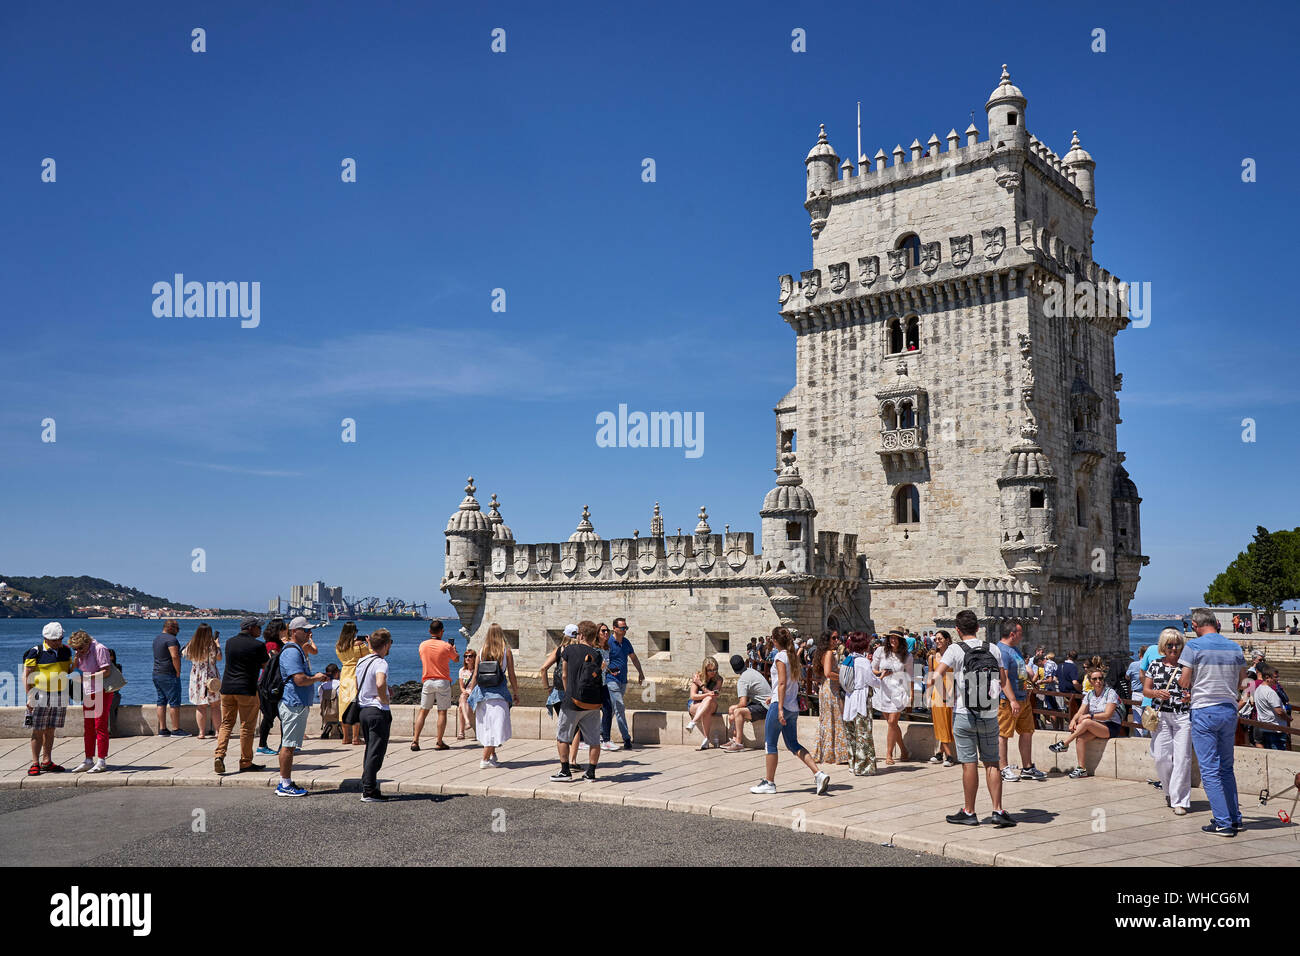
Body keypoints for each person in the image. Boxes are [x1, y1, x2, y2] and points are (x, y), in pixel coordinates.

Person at [934, 609, 1016, 827]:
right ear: (978, 627)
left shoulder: (955, 649)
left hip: (964, 713)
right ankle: (998, 810)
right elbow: (1003, 679)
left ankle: (969, 812)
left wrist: (946, 697)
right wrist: (1013, 701)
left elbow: (935, 676)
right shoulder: (993, 648)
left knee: (969, 763)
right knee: (992, 762)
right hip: (989, 712)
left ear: (958, 630)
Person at [1179, 608, 1247, 836]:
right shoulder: (1234, 647)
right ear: (1216, 622)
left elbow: (1184, 681)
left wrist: (1189, 683)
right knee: (1226, 767)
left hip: (1204, 711)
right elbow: (1242, 682)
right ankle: (1235, 818)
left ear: (1195, 625)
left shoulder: (1194, 646)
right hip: (1229, 710)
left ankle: (1223, 822)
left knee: (1209, 770)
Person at [748, 627, 830, 795]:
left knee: (770, 743)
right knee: (793, 744)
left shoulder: (779, 656)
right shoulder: (793, 657)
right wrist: (773, 695)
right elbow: (789, 683)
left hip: (782, 705)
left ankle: (769, 782)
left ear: (775, 641)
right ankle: (818, 773)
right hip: (793, 706)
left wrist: (778, 707)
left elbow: (783, 683)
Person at [275, 617, 327, 797]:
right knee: (288, 745)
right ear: (294, 631)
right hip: (293, 703)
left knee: (290, 745)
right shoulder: (291, 652)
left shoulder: (297, 650)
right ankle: (284, 783)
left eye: (309, 630)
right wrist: (316, 678)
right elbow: (299, 679)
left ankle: (286, 781)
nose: (309, 633)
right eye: (305, 630)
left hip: (297, 702)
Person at [1143, 628, 1191, 815]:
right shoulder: (1155, 665)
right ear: (1163, 646)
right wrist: (1156, 693)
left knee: (1182, 758)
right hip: (1161, 715)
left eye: (1177, 645)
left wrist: (1189, 697)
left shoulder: (1187, 667)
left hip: (1182, 715)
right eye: (1169, 645)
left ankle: (1179, 800)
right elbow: (1146, 690)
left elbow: (1194, 689)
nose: (1173, 648)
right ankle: (1170, 791)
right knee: (1162, 757)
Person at [550, 620, 605, 782]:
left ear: (580, 634)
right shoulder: (597, 654)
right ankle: (591, 772)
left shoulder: (568, 650)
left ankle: (565, 771)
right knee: (594, 740)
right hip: (592, 702)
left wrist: (568, 692)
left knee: (563, 737)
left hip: (572, 701)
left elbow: (564, 675)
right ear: (593, 636)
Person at [214, 617, 269, 775]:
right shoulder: (258, 645)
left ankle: (219, 755)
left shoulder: (230, 642)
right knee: (246, 727)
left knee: (226, 724)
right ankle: (245, 762)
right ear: (251, 628)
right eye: (259, 627)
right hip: (247, 690)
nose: (261, 630)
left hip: (227, 688)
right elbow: (266, 666)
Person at [995, 621, 1046, 782]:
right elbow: (1003, 677)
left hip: (1023, 697)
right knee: (1003, 734)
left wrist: (1031, 676)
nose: (1022, 636)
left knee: (1026, 732)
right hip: (1008, 701)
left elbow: (1022, 667)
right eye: (1020, 633)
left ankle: (1027, 767)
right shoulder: (1002, 651)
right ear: (1012, 634)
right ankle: (1002, 768)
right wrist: (1012, 700)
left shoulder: (1014, 649)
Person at [1049, 667, 1120, 777]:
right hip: (1095, 725)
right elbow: (1080, 711)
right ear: (1090, 681)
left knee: (1086, 722)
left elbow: (1107, 715)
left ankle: (1065, 743)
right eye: (1095, 679)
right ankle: (1081, 769)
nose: (1098, 681)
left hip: (1111, 726)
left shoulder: (1110, 693)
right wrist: (1073, 720)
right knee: (1080, 738)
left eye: (1100, 678)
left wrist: (1089, 716)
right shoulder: (1090, 694)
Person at [466, 624, 519, 768]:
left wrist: (470, 692)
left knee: (488, 727)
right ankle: (484, 760)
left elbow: (475, 674)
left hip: (482, 695)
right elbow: (512, 675)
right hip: (499, 695)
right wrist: (515, 692)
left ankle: (492, 755)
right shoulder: (506, 652)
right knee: (496, 728)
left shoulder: (482, 651)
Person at [23, 622, 73, 775]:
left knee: (51, 730)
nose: (58, 642)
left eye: (60, 639)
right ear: (46, 638)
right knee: (37, 730)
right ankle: (35, 763)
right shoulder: (35, 652)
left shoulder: (66, 651)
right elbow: (27, 676)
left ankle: (47, 761)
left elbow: (69, 670)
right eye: (55, 640)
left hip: (60, 694)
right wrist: (30, 697)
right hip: (40, 695)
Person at [68, 629, 114, 773]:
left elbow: (106, 671)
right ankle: (88, 759)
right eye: (75, 648)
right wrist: (76, 659)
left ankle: (101, 760)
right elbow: (70, 670)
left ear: (87, 643)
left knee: (100, 725)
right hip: (88, 692)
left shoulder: (100, 649)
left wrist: (88, 677)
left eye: (80, 647)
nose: (78, 650)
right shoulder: (79, 653)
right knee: (88, 727)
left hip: (102, 691)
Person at [355, 629, 394, 802]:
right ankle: (369, 790)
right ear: (386, 645)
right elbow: (379, 682)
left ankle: (367, 785)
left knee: (370, 749)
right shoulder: (381, 663)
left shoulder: (362, 661)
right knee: (376, 752)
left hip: (363, 709)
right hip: (377, 711)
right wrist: (384, 698)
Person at [412, 619, 460, 752]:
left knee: (423, 711)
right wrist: (454, 650)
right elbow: (456, 660)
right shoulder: (446, 646)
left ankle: (415, 740)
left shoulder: (423, 645)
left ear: (429, 631)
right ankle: (439, 741)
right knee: (442, 712)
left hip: (427, 681)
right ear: (442, 631)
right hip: (442, 681)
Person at [602, 617, 644, 751]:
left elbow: (633, 657)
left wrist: (640, 673)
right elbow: (602, 661)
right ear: (614, 628)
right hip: (611, 680)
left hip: (623, 680)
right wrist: (608, 671)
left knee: (613, 709)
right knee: (620, 707)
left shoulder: (626, 642)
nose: (625, 630)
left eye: (626, 628)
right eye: (622, 628)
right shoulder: (608, 642)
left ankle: (600, 733)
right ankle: (626, 738)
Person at [871, 629, 912, 763]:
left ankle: (889, 754)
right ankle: (904, 751)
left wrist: (912, 694)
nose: (893, 640)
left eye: (896, 638)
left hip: (898, 690)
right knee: (892, 724)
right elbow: (873, 669)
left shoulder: (907, 656)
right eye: (891, 638)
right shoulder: (881, 651)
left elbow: (910, 676)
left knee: (892, 722)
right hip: (883, 690)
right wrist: (882, 672)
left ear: (901, 640)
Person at [842, 633, 879, 775]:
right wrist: (880, 680)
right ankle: (863, 767)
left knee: (851, 734)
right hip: (861, 699)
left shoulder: (848, 659)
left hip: (849, 698)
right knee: (863, 733)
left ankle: (852, 764)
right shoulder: (863, 661)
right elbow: (871, 680)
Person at [812, 631, 849, 765]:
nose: (836, 640)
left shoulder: (824, 653)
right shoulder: (828, 653)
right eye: (833, 638)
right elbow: (828, 673)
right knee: (835, 718)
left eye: (837, 638)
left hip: (827, 688)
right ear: (827, 640)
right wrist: (843, 677)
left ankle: (829, 753)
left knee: (829, 719)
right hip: (830, 689)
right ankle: (835, 754)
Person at [721, 653, 772, 752]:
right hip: (766, 703)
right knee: (733, 710)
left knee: (737, 712)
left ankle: (739, 743)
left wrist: (734, 709)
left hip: (766, 707)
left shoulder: (742, 680)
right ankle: (735, 739)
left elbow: (743, 703)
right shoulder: (751, 671)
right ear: (744, 663)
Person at [184, 623, 223, 739]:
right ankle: (218, 732)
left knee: (201, 706)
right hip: (211, 677)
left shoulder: (192, 644)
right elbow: (219, 658)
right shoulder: (211, 645)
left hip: (197, 678)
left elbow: (185, 654)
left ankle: (201, 733)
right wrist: (218, 645)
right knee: (215, 706)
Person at [151, 619, 189, 737]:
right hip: (168, 674)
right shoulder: (171, 639)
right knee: (174, 702)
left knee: (161, 700)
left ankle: (162, 729)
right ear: (171, 628)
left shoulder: (157, 638)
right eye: (177, 628)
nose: (179, 631)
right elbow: (174, 656)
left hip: (157, 673)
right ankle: (176, 729)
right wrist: (178, 672)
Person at [334, 622, 369, 747]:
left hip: (344, 674)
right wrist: (368, 643)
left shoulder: (338, 646)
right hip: (355, 674)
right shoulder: (359, 645)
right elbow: (370, 654)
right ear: (354, 632)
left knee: (344, 705)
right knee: (355, 706)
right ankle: (355, 737)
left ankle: (345, 737)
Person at [257, 618, 287, 755]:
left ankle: (284, 744)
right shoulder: (272, 646)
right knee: (270, 716)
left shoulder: (279, 644)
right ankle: (263, 745)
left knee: (281, 716)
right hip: (270, 684)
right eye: (284, 628)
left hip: (276, 683)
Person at [926, 631, 956, 766]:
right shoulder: (932, 658)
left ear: (947, 639)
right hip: (937, 691)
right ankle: (949, 755)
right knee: (940, 723)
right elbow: (930, 676)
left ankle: (940, 753)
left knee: (949, 723)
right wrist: (927, 694)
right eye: (936, 639)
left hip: (951, 690)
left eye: (941, 638)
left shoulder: (954, 655)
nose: (937, 641)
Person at [685, 657, 724, 750]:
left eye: (715, 669)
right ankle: (706, 739)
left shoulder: (719, 680)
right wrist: (707, 694)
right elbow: (693, 696)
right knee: (706, 709)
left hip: (712, 704)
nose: (713, 672)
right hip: (695, 704)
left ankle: (693, 722)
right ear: (705, 669)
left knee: (709, 699)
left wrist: (701, 685)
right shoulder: (698, 676)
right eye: (710, 670)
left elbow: (714, 695)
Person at [1253, 666, 1290, 751]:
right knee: (1278, 756)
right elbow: (1279, 712)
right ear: (1267, 678)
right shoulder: (1270, 692)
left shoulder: (1259, 689)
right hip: (1275, 730)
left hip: (1265, 727)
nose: (1278, 679)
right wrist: (1288, 718)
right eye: (1276, 677)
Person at [457, 648, 478, 739]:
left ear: (474, 658)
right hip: (466, 693)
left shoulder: (477, 671)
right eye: (465, 656)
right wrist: (465, 692)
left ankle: (461, 732)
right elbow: (461, 686)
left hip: (474, 692)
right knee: (463, 698)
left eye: (470, 656)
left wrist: (470, 692)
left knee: (461, 707)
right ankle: (467, 722)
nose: (467, 658)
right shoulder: (462, 670)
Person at [318, 663, 341, 739]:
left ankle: (327, 726)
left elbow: (321, 700)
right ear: (337, 673)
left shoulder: (321, 686)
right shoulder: (340, 684)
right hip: (338, 712)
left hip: (325, 713)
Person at [1057, 651, 1082, 719]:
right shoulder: (1073, 667)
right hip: (1071, 692)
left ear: (1067, 656)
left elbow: (1055, 678)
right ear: (1076, 658)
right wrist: (1081, 690)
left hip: (1062, 691)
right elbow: (1075, 682)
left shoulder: (1060, 665)